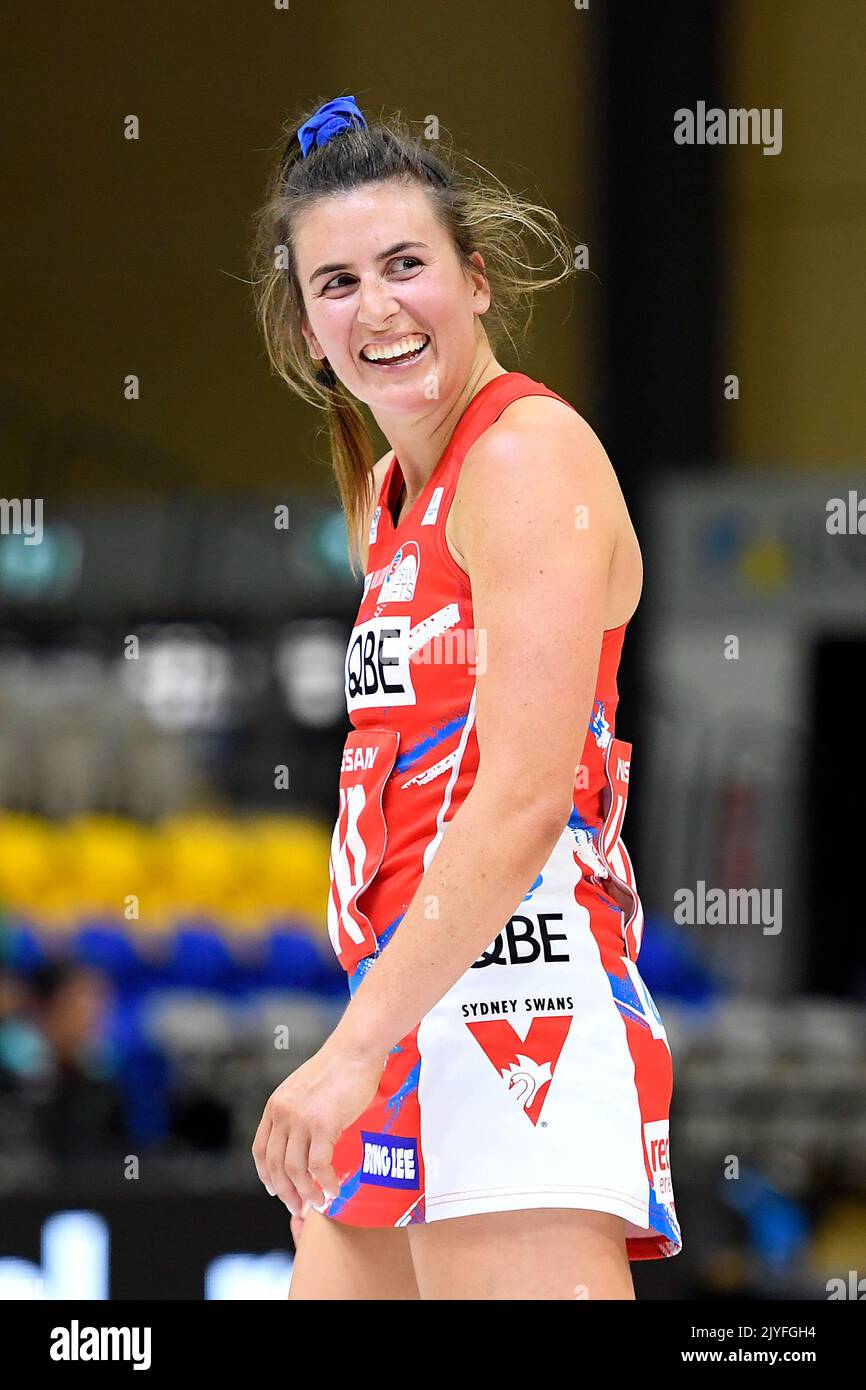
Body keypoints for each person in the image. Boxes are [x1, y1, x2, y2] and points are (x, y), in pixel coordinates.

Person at [250, 95, 681, 1300]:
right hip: (410, 1002)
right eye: (335, 282)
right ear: (305, 323)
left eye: (404, 265)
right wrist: (374, 1032)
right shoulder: (389, 486)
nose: (375, 307)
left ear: (476, 281)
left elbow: (524, 794)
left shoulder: (527, 457)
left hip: (518, 1005)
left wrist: (351, 1048)